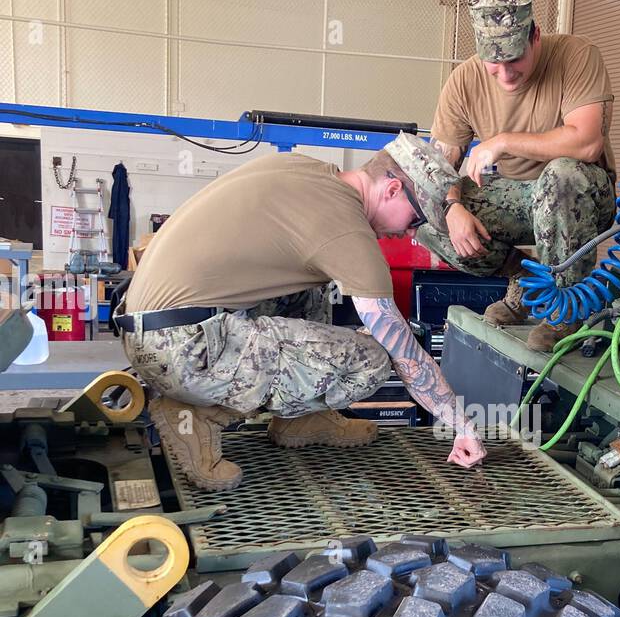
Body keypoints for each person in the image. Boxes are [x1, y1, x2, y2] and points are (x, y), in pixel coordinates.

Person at [116, 133, 486, 491]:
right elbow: (405, 354)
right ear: (392, 190)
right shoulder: (347, 232)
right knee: (373, 359)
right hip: (182, 349)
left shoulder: (303, 171)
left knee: (312, 288)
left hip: (151, 330)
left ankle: (301, 420)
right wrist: (463, 426)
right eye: (416, 220)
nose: (408, 234)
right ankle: (200, 416)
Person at [414, 0, 617, 352]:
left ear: (535, 36)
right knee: (423, 207)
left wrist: (503, 141)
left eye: (515, 60)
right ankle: (524, 277)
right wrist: (452, 205)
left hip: (580, 194)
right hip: (518, 201)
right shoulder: (465, 80)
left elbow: (587, 142)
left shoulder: (576, 55)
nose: (506, 75)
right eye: (495, 64)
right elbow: (437, 164)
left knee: (561, 175)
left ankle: (565, 311)